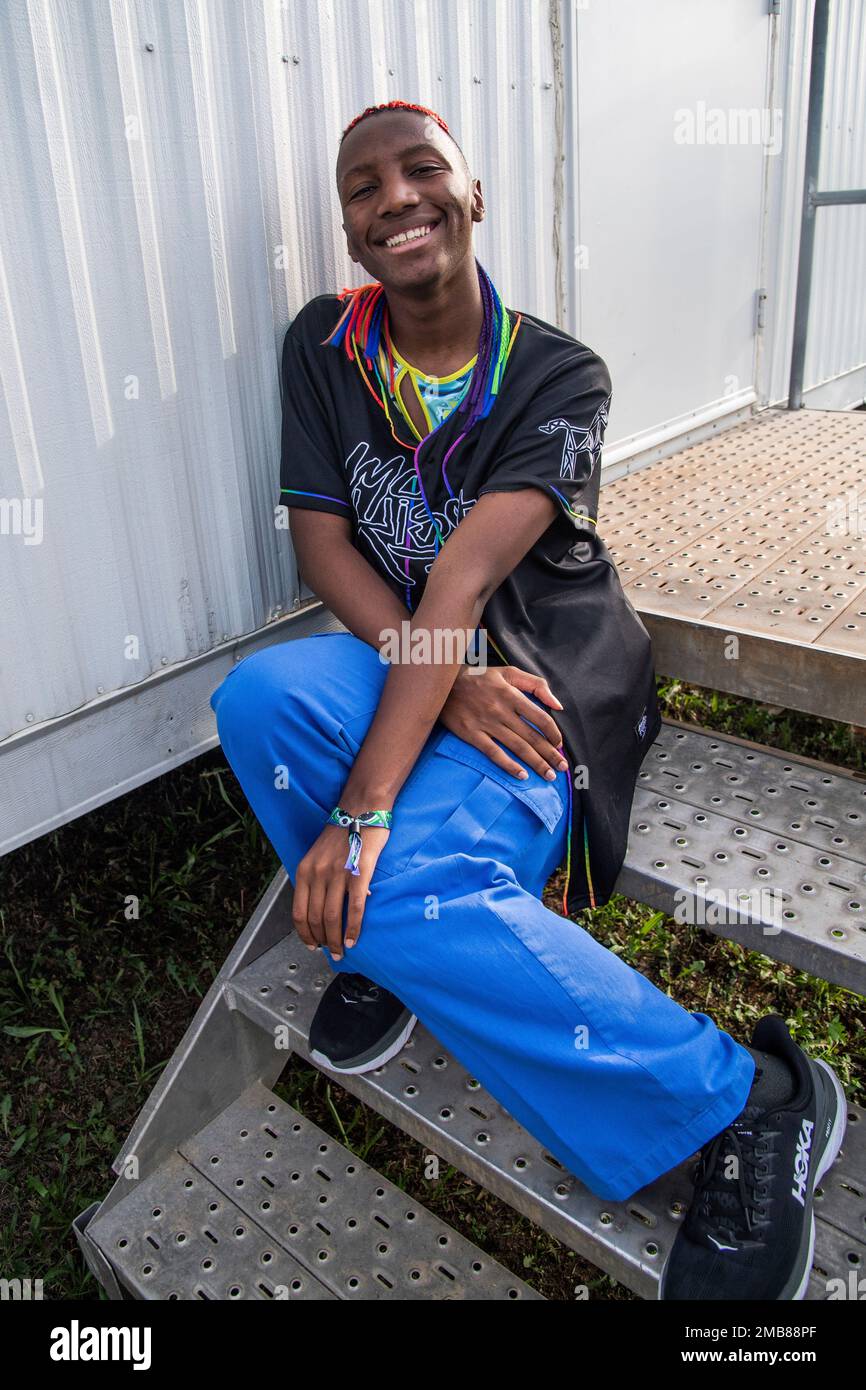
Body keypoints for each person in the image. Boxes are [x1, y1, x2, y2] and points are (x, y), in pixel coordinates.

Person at [210, 100, 847, 1300]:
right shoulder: (323, 345)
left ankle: (746, 1099)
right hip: (432, 663)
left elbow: (463, 576)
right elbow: (322, 545)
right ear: (349, 228)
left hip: (538, 677)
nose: (394, 198)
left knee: (397, 873)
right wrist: (431, 686)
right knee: (258, 699)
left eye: (421, 171)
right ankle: (391, 942)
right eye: (363, 186)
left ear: (472, 194)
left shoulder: (557, 371)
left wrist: (362, 808)